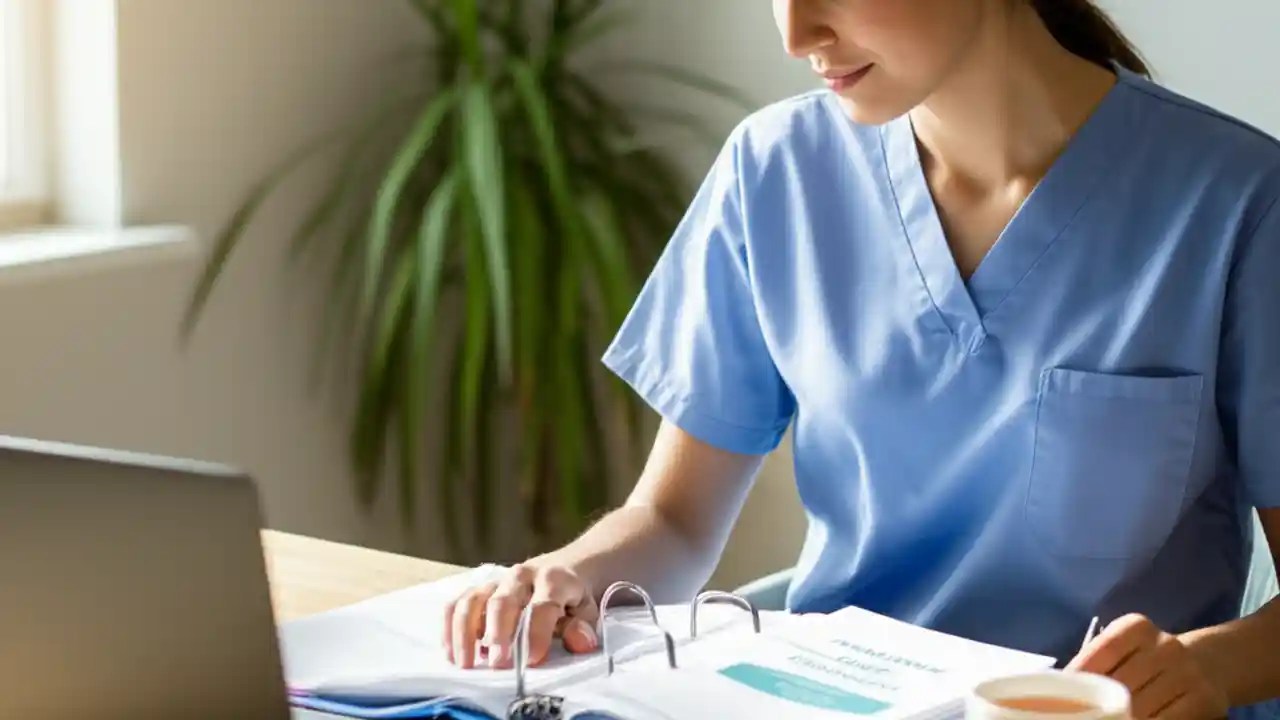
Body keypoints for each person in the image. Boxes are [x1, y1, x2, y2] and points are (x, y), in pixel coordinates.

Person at [444, 1, 1280, 717]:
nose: (797, 29)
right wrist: (561, 576)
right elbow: (674, 522)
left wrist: (1207, 666)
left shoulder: (1240, 208)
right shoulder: (774, 172)